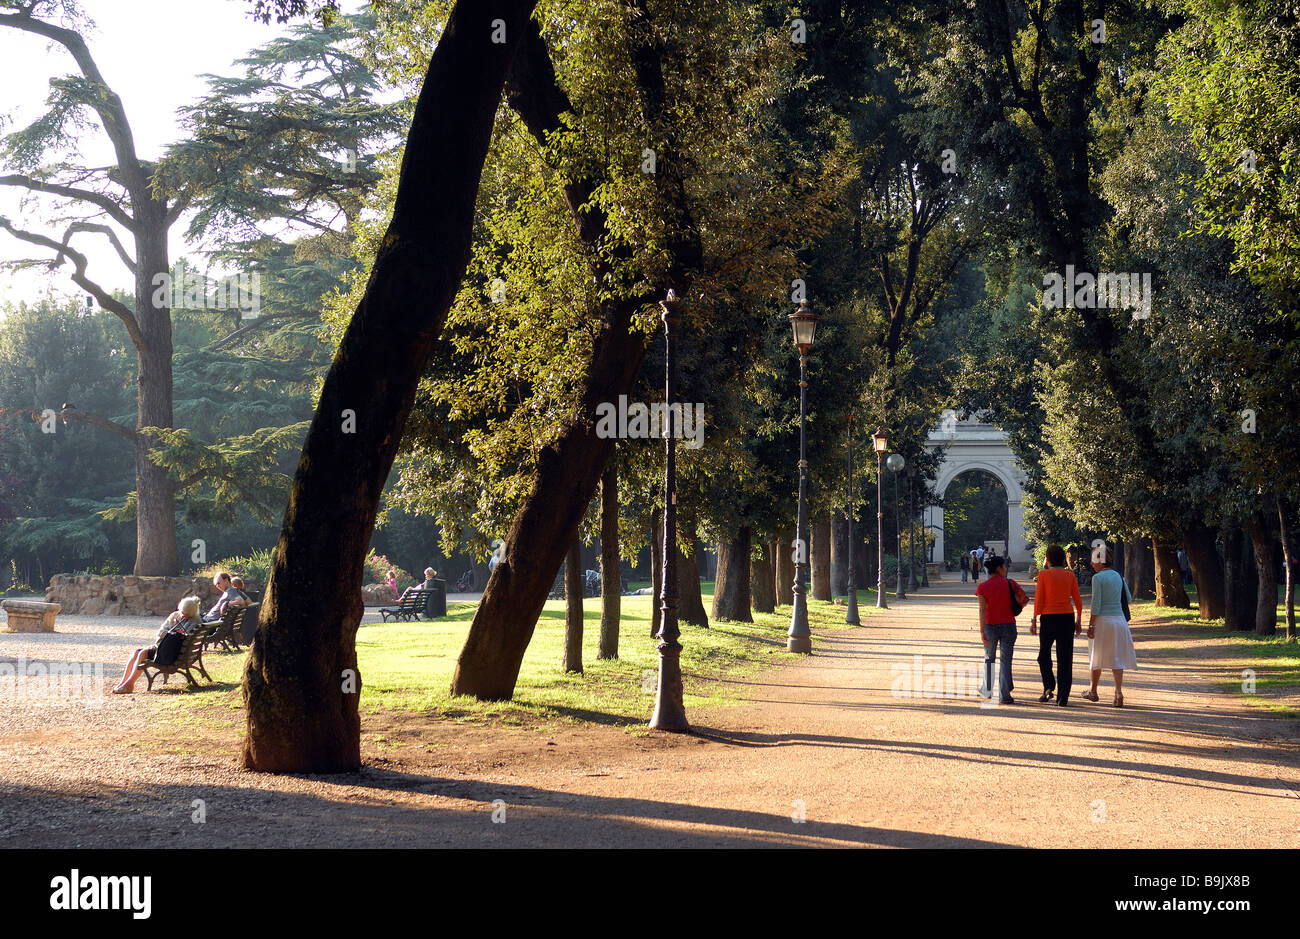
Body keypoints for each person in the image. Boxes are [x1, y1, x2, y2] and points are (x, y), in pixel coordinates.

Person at [112, 596, 204, 694]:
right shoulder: (175, 615)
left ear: (192, 614)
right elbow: (161, 631)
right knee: (136, 652)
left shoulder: (195, 621)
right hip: (164, 647)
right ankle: (123, 683)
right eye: (181, 612)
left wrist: (170, 634)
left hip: (173, 653)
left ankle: (129, 684)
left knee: (143, 653)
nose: (182, 616)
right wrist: (170, 634)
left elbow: (180, 639)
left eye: (186, 615)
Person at [1083, 546, 1137, 706]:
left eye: (1093, 560)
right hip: (1119, 620)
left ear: (1100, 561)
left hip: (1103, 621)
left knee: (1096, 654)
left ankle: (1093, 690)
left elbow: (1096, 605)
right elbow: (1128, 597)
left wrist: (1091, 625)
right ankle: (1118, 692)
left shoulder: (1097, 578)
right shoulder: (1118, 576)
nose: (1092, 563)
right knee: (1117, 657)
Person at [1031, 544, 1083, 706]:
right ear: (1062, 559)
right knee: (1065, 658)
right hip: (1067, 617)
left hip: (1048, 617)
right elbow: (1078, 600)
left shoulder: (1043, 575)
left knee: (1043, 655)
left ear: (1048, 559)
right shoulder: (1070, 576)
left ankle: (1048, 686)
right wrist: (1079, 620)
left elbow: (1039, 599)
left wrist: (1034, 619)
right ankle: (1063, 697)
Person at [976, 555, 1027, 704]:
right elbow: (1024, 599)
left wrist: (981, 631)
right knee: (1006, 660)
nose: (1005, 569)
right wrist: (1015, 607)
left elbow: (982, 610)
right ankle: (1004, 694)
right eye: (1004, 567)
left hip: (990, 626)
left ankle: (987, 691)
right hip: (1008, 625)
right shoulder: (1010, 584)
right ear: (999, 568)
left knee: (989, 658)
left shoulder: (982, 587)